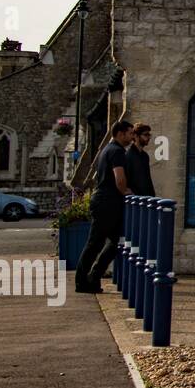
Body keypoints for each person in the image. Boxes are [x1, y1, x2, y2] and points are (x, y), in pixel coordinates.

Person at [74, 120, 134, 293]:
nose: (131, 137)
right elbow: (119, 179)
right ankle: (82, 281)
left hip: (106, 201)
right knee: (95, 243)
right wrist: (127, 191)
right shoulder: (117, 151)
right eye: (130, 133)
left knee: (115, 242)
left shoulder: (108, 149)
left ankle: (93, 277)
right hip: (106, 203)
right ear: (121, 133)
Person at [125, 123, 156, 196]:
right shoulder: (128, 155)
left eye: (149, 135)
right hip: (135, 200)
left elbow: (147, 179)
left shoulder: (145, 156)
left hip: (146, 199)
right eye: (145, 135)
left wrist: (152, 196)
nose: (148, 138)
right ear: (136, 136)